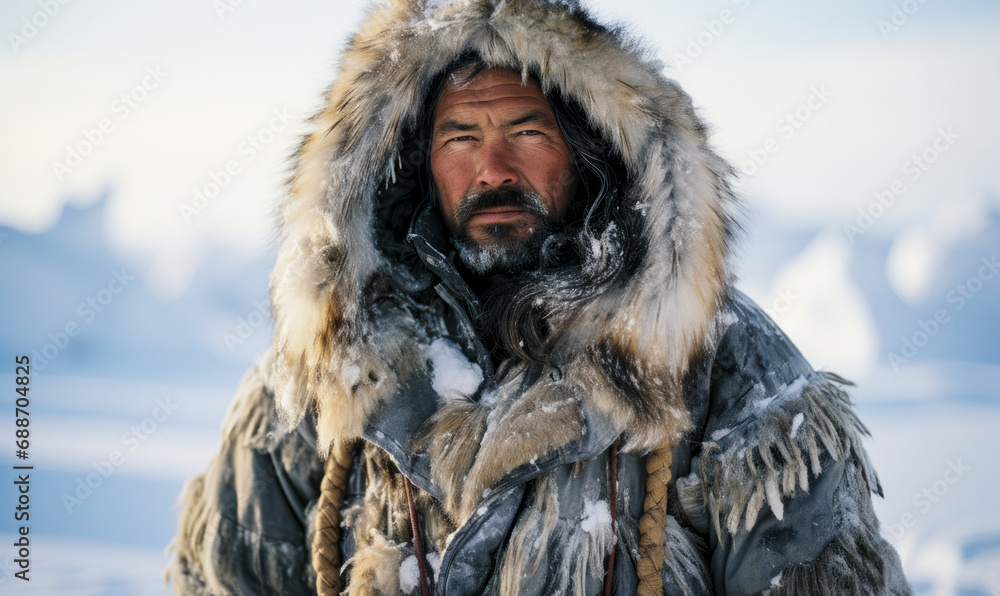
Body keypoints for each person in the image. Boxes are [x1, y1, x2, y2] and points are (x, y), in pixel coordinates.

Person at [170, 1, 912, 594]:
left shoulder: (718, 360)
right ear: (413, 163)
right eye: (459, 136)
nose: (492, 167)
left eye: (526, 131)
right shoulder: (320, 376)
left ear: (590, 150)